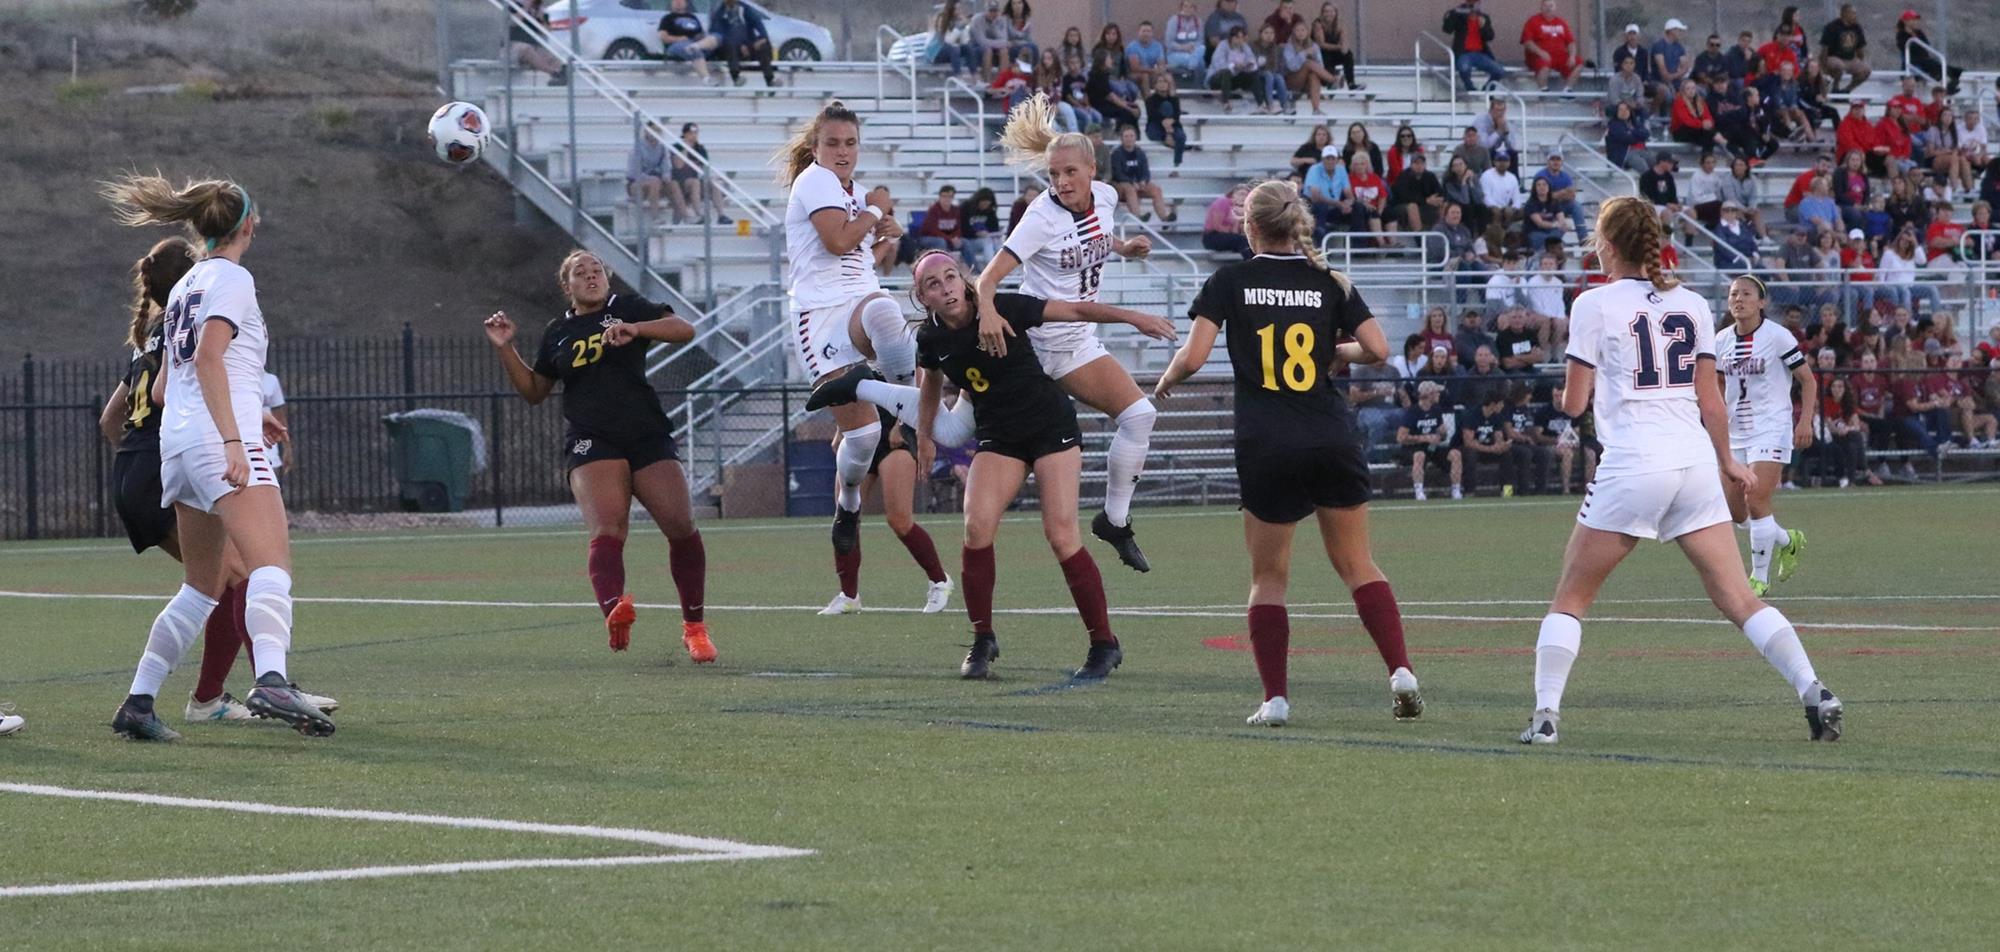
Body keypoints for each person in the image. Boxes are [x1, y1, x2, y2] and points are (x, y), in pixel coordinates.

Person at [1519, 195, 1843, 746]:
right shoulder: (1692, 303)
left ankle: (1546, 717)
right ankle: (1815, 691)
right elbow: (1710, 401)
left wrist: (1567, 394)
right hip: (1693, 463)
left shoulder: (1592, 305)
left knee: (1570, 599)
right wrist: (1727, 462)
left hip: (1633, 465)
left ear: (1610, 244)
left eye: (1598, 236)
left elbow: (1574, 405)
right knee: (1742, 599)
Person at [1153, 179, 1422, 726]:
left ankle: (1275, 699)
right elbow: (1377, 349)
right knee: (1357, 564)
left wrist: (1163, 384)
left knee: (1269, 577)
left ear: (1248, 227)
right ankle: (1400, 671)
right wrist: (1331, 350)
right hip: (1330, 434)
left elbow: (1195, 356)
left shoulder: (1229, 281)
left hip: (1267, 442)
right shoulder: (1330, 282)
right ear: (1294, 223)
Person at [100, 174, 335, 740]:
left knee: (201, 588)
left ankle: (138, 702)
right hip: (216, 444)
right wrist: (235, 438)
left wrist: (244, 415)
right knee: (271, 565)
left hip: (176, 448)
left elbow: (161, 391)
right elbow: (209, 358)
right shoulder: (232, 278)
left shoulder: (182, 289)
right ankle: (273, 679)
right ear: (248, 224)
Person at [904, 251, 1175, 680]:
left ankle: (1104, 643)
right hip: (1000, 437)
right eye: (933, 284)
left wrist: (1132, 317)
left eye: (951, 277)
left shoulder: (1003, 307)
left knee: (1061, 534)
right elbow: (930, 388)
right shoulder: (930, 338)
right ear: (922, 297)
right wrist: (922, 435)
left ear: (964, 278)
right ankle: (982, 640)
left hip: (1050, 429)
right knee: (975, 527)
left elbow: (1075, 309)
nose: (946, 287)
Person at [484, 250, 713, 662]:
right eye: (580, 272)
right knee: (608, 529)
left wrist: (637, 328)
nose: (591, 276)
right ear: (566, 286)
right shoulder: (558, 331)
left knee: (681, 525)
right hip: (593, 436)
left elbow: (684, 329)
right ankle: (614, 612)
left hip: (645, 432)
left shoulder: (625, 308)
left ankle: (695, 629)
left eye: (597, 271)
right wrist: (505, 348)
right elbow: (535, 391)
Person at [780, 101, 972, 583]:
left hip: (859, 299)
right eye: (833, 143)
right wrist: (873, 213)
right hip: (820, 314)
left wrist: (888, 232)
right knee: (862, 438)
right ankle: (848, 503)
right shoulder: (815, 181)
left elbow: (864, 249)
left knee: (887, 312)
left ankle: (903, 417)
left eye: (850, 143)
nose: (842, 152)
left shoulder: (855, 191)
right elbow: (838, 242)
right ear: (815, 148)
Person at [973, 95, 1162, 572]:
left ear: (1092, 169)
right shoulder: (1039, 217)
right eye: (1054, 174)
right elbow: (988, 279)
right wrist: (988, 311)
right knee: (956, 426)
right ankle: (885, 394)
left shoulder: (1108, 197)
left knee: (1140, 416)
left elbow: (1096, 238)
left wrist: (1124, 249)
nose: (1060, 182)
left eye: (1069, 173)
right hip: (1034, 348)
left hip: (1076, 342)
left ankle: (1114, 521)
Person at [1716, 275, 1816, 595]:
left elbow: (1808, 380)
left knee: (1756, 498)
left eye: (1746, 294)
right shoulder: (1720, 341)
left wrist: (1805, 422)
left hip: (1771, 426)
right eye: (1733, 294)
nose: (1738, 299)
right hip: (1735, 432)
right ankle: (1788, 541)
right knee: (1736, 512)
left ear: (1762, 303)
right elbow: (1716, 384)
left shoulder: (1778, 337)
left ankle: (1759, 578)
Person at [1397, 380, 1462, 499]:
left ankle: (1456, 490)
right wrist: (1424, 438)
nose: (1438, 394)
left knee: (1455, 454)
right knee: (1419, 455)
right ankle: (1419, 491)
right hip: (1413, 448)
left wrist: (1442, 434)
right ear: (1429, 394)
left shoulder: (1436, 410)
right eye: (1436, 392)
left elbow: (1441, 434)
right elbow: (1401, 437)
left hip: (1432, 448)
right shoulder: (1413, 411)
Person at [1108, 125, 1173, 221]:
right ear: (1121, 138)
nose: (1129, 139)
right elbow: (1117, 174)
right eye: (1126, 136)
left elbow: (1145, 171)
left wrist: (1143, 181)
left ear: (1135, 137)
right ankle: (1138, 217)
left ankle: (1164, 216)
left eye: (1131, 136)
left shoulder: (1140, 153)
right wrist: (1131, 182)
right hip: (1122, 185)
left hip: (1138, 184)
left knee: (1156, 190)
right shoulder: (1116, 154)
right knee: (1130, 189)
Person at [708, 0, 778, 87]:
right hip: (730, 48)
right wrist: (739, 44)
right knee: (730, 44)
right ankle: (736, 77)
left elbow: (758, 23)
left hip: (747, 44)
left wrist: (763, 38)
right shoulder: (719, 13)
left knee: (763, 45)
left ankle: (770, 80)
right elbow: (718, 34)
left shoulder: (745, 9)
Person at [1441, 0, 1506, 92]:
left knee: (1499, 71)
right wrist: (1455, 13)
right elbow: (1447, 29)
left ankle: (1488, 89)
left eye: (1476, 3)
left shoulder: (1484, 17)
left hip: (1480, 54)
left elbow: (1490, 37)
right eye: (1470, 3)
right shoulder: (1459, 16)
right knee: (1464, 68)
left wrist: (1483, 26)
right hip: (1464, 53)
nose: (1473, 6)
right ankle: (1470, 88)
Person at [1503, 383, 1553, 494]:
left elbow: (1529, 427)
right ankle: (1523, 490)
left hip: (1526, 442)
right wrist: (1524, 438)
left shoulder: (1525, 409)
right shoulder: (1508, 408)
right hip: (1511, 443)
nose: (1530, 397)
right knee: (1526, 454)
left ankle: (1541, 490)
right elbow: (1509, 432)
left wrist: (1534, 435)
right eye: (1528, 394)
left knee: (1545, 453)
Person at [656, 0, 720, 85]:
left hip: (695, 44)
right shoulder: (667, 18)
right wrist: (680, 39)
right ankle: (706, 78)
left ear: (686, 3)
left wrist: (701, 39)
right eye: (675, 1)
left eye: (681, 0)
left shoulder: (693, 17)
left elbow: (700, 34)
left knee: (717, 37)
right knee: (693, 50)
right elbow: (663, 37)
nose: (678, 2)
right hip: (676, 46)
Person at [1519, 0, 1577, 92]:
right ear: (1541, 7)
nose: (1548, 8)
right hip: (1538, 56)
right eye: (1545, 6)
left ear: (1555, 8)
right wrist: (1540, 52)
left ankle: (1567, 90)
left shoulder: (1561, 22)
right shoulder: (1533, 21)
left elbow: (1571, 42)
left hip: (1559, 56)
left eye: (1551, 6)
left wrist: (1572, 56)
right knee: (1544, 63)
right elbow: (1527, 42)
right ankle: (1543, 90)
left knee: (1579, 63)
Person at [505, 0, 568, 85]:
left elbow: (546, 31)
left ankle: (561, 76)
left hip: (533, 46)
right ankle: (553, 72)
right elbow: (513, 22)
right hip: (512, 46)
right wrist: (526, 8)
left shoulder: (540, 10)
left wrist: (540, 18)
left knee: (550, 56)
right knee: (526, 49)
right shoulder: (513, 6)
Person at [1205, 26, 1265, 113]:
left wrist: (1248, 65)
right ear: (1231, 37)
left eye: (1241, 37)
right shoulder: (1223, 45)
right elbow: (1218, 63)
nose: (1239, 40)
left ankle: (1260, 104)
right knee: (1226, 72)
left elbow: (1251, 60)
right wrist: (1233, 66)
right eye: (1237, 37)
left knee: (1254, 74)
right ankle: (1225, 102)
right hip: (1218, 78)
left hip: (1234, 79)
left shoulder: (1244, 47)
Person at [1818, 3, 1871, 94]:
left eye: (1855, 13)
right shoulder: (1832, 27)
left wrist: (1859, 62)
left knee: (1866, 70)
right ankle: (1835, 88)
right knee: (1839, 65)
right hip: (1833, 57)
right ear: (1844, 14)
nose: (1855, 16)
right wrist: (1823, 67)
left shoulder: (1857, 27)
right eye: (1852, 13)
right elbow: (1824, 48)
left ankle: (1847, 90)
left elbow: (1860, 49)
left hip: (1850, 59)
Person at [915, 184, 969, 263]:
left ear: (952, 198)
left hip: (947, 238)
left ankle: (976, 271)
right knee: (941, 242)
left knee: (965, 242)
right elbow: (933, 231)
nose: (946, 199)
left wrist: (956, 237)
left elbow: (958, 228)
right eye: (944, 196)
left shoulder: (955, 210)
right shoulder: (933, 210)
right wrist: (950, 239)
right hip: (928, 238)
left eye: (949, 196)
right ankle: (943, 267)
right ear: (939, 197)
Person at [1142, 73, 1188, 167]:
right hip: (1156, 126)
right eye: (1160, 82)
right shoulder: (1150, 100)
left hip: (1172, 125)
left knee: (1181, 136)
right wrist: (1165, 125)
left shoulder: (1174, 99)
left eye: (1165, 81)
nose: (1162, 84)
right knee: (1154, 132)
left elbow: (1176, 114)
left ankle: (1177, 164)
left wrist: (1170, 123)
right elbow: (1152, 115)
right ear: (1155, 85)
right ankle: (1168, 140)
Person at [627, 124, 669, 224]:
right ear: (646, 132)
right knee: (654, 182)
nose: (655, 134)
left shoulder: (662, 148)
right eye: (653, 131)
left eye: (658, 131)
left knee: (673, 184)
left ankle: (683, 218)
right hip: (635, 184)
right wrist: (650, 178)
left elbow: (666, 166)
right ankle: (655, 217)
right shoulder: (637, 148)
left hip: (656, 181)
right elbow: (633, 173)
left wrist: (666, 175)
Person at [1311, 2, 1359, 90]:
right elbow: (1321, 45)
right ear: (1322, 13)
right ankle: (1333, 79)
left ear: (1336, 12)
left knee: (1348, 54)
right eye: (1326, 11)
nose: (1328, 14)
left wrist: (1344, 46)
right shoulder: (1318, 24)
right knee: (1326, 60)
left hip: (1332, 53)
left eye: (1331, 11)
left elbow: (1344, 45)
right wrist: (1339, 47)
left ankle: (1351, 83)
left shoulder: (1339, 24)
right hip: (1320, 55)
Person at [927, 0, 977, 77]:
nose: (959, 11)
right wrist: (958, 27)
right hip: (937, 52)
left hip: (951, 50)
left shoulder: (958, 20)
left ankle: (975, 79)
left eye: (960, 9)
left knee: (968, 47)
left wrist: (964, 26)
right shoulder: (942, 18)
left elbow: (964, 41)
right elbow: (947, 41)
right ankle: (959, 78)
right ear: (950, 9)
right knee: (954, 48)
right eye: (956, 9)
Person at [1203, 183, 1252, 258]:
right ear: (1233, 194)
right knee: (1243, 241)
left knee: (1250, 241)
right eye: (1241, 194)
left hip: (1230, 235)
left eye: (1246, 195)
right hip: (1213, 236)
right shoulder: (1223, 202)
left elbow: (1239, 230)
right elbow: (1217, 227)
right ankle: (1251, 264)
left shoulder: (1243, 207)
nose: (1243, 197)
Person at [1164, 0, 1206, 77]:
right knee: (1198, 61)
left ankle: (1199, 83)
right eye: (1185, 6)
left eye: (1191, 6)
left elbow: (1201, 40)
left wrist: (1193, 47)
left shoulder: (1198, 21)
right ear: (1181, 8)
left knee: (1201, 52)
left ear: (1195, 9)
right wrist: (1182, 47)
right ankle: (1192, 64)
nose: (1188, 9)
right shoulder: (1174, 20)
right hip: (1175, 54)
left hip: (1193, 51)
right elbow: (1168, 42)